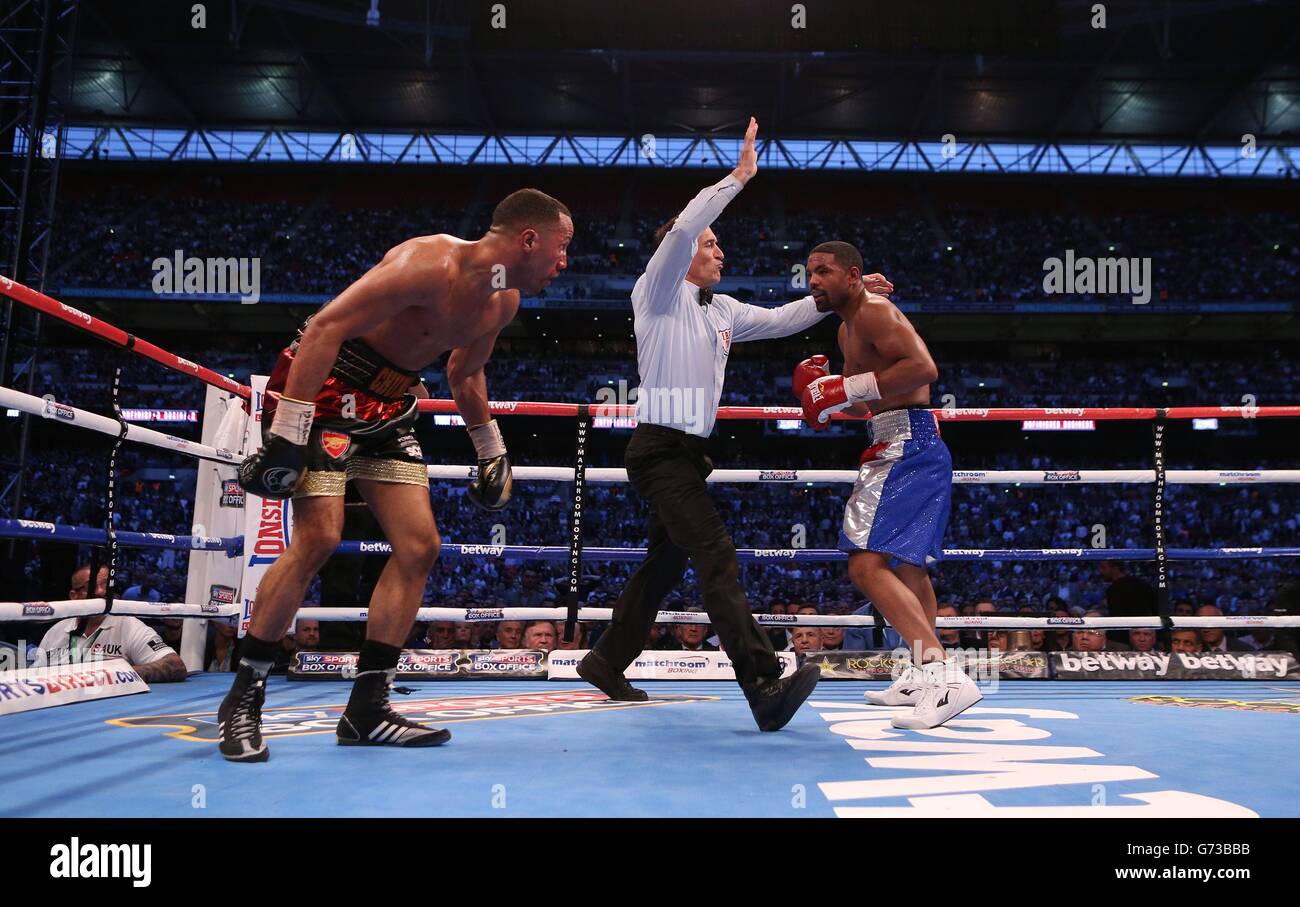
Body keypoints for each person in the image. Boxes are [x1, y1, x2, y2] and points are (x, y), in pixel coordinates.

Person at [219, 188, 572, 762]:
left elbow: (465, 372)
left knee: (419, 545)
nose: (564, 262)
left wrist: (490, 448)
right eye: (561, 247)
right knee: (320, 536)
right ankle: (244, 698)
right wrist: (287, 433)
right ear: (528, 240)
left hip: (388, 405)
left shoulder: (502, 302)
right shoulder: (428, 263)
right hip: (323, 389)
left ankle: (367, 710)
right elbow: (324, 329)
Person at [575, 118, 824, 732]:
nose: (721, 252)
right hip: (660, 451)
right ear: (685, 254)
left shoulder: (724, 308)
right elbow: (686, 226)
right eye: (712, 246)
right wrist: (738, 178)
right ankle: (763, 682)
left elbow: (783, 319)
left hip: (687, 455)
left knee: (666, 563)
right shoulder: (656, 292)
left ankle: (606, 661)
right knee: (715, 556)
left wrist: (841, 296)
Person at [797, 240, 979, 729]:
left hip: (907, 445)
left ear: (853, 275)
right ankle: (924, 675)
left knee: (864, 563)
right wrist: (827, 402)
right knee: (907, 567)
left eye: (824, 272)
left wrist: (843, 389)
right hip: (896, 440)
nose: (813, 280)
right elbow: (868, 401)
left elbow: (923, 370)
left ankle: (942, 671)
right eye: (809, 272)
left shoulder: (876, 312)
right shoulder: (846, 330)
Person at [35, 564, 188, 683]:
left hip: (107, 714)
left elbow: (175, 666)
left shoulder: (128, 626)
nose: (101, 591)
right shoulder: (56, 632)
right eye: (91, 586)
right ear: (74, 596)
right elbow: (34, 677)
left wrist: (112, 675)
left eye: (106, 585)